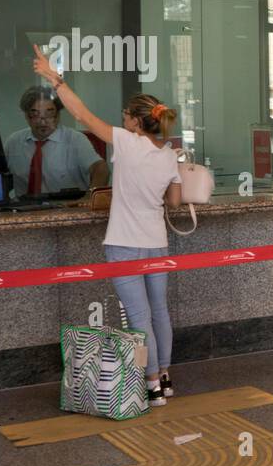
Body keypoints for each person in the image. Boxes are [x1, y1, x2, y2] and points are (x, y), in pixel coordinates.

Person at [32, 45, 182, 406]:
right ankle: (165, 376)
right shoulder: (169, 154)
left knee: (138, 315)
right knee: (159, 311)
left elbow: (83, 115)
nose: (122, 119)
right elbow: (175, 203)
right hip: (157, 242)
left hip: (125, 243)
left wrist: (55, 79)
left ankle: (150, 384)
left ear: (135, 121)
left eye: (126, 115)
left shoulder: (128, 144)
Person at [4, 86, 109, 199]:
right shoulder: (14, 142)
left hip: (66, 209)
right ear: (26, 116)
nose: (42, 121)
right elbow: (1, 179)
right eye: (35, 114)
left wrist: (90, 197)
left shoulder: (75, 140)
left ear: (58, 114)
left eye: (49, 113)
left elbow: (100, 169)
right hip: (22, 210)